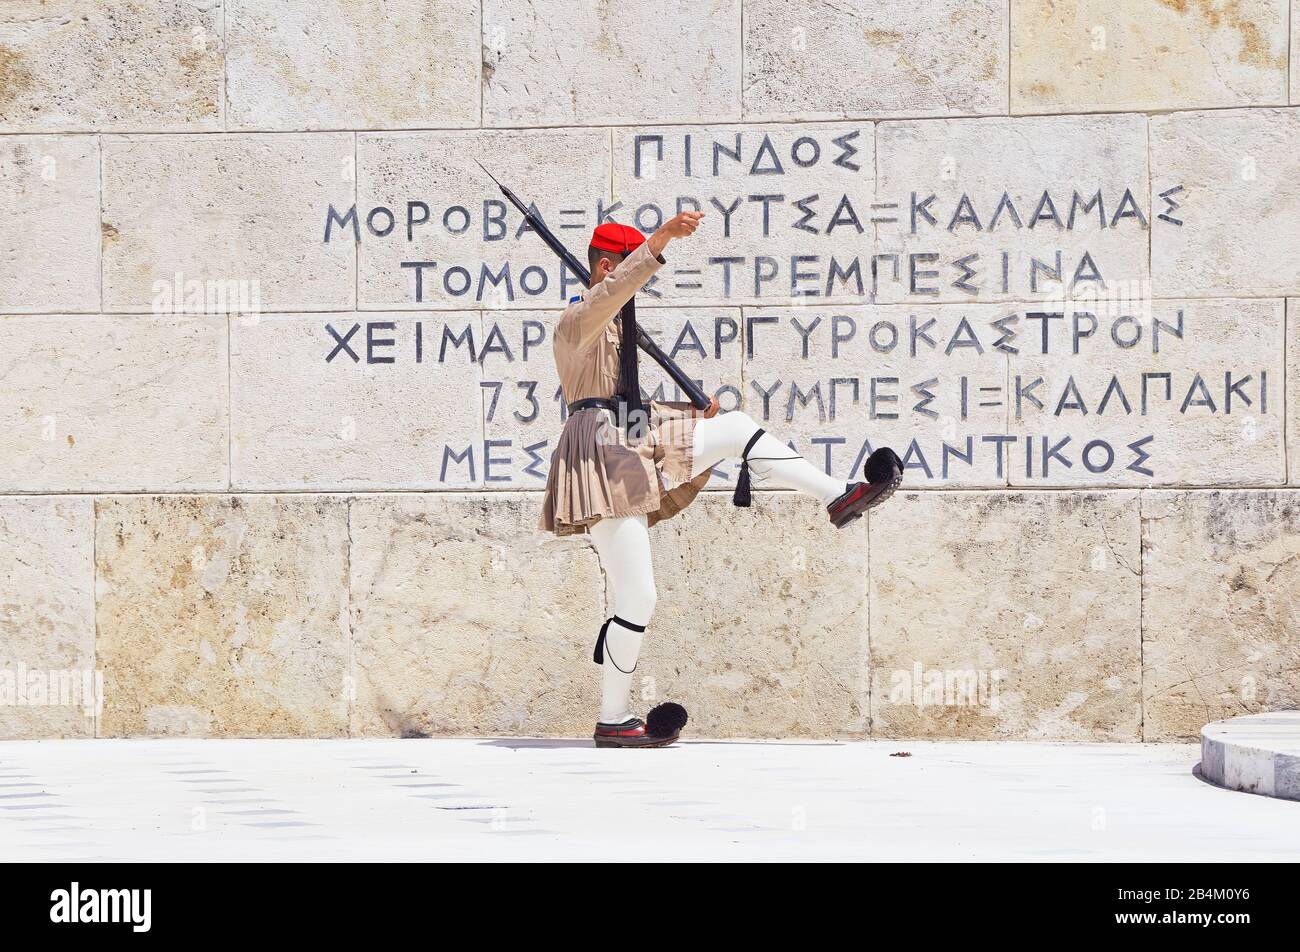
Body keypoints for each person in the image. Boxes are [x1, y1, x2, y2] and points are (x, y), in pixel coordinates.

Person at [539, 213, 903, 747]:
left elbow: (630, 408)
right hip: (599, 462)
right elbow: (602, 379)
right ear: (608, 267)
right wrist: (659, 243)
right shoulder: (578, 321)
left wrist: (685, 411)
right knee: (637, 598)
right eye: (627, 269)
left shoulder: (613, 328)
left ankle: (839, 497)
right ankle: (613, 719)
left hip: (632, 444)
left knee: (733, 427)